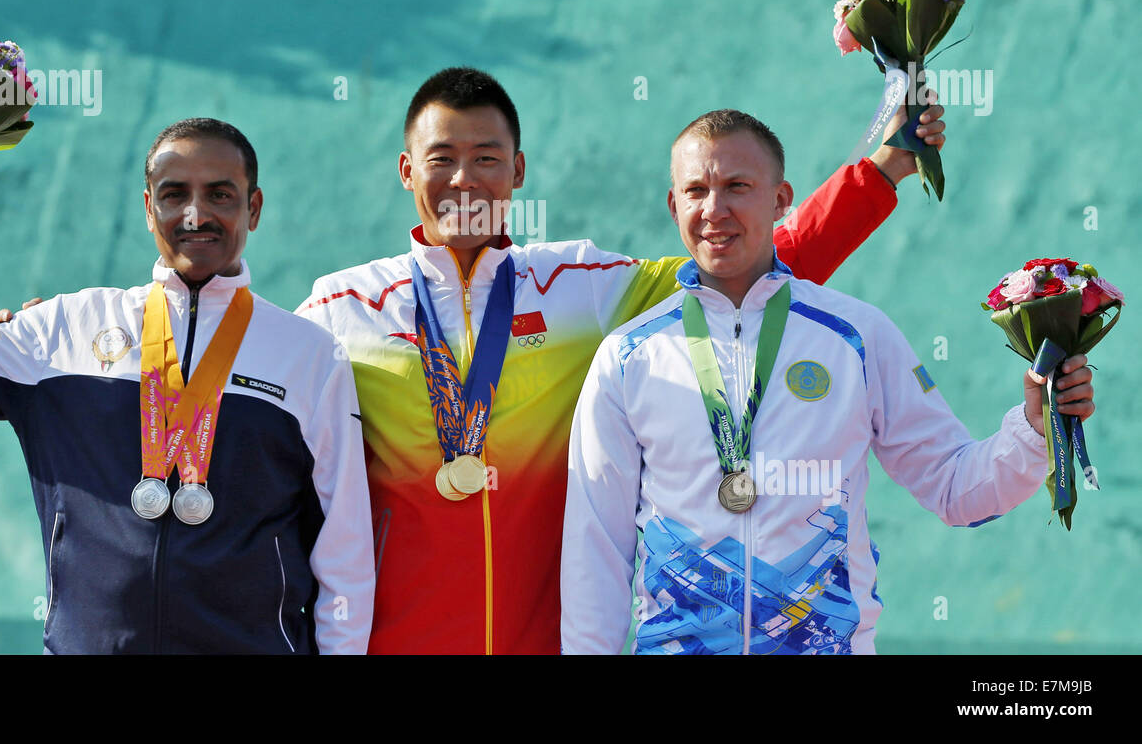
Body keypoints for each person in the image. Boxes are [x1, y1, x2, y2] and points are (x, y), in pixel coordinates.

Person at [292, 67, 948, 654]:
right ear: (407, 170)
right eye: (443, 158)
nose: (465, 180)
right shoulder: (341, 308)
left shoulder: (582, 287)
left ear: (518, 170)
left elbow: (748, 259)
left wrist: (883, 167)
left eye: (486, 158)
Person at [560, 109, 1095, 654]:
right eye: (696, 190)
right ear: (674, 205)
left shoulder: (858, 336)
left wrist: (1032, 429)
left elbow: (956, 489)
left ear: (780, 198)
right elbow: (595, 548)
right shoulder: (629, 356)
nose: (714, 209)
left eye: (737, 186)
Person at [0, 119, 374, 653]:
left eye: (220, 194)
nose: (196, 214)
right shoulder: (65, 331)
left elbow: (344, 556)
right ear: (147, 207)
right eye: (173, 194)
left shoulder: (311, 357)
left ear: (253, 207)